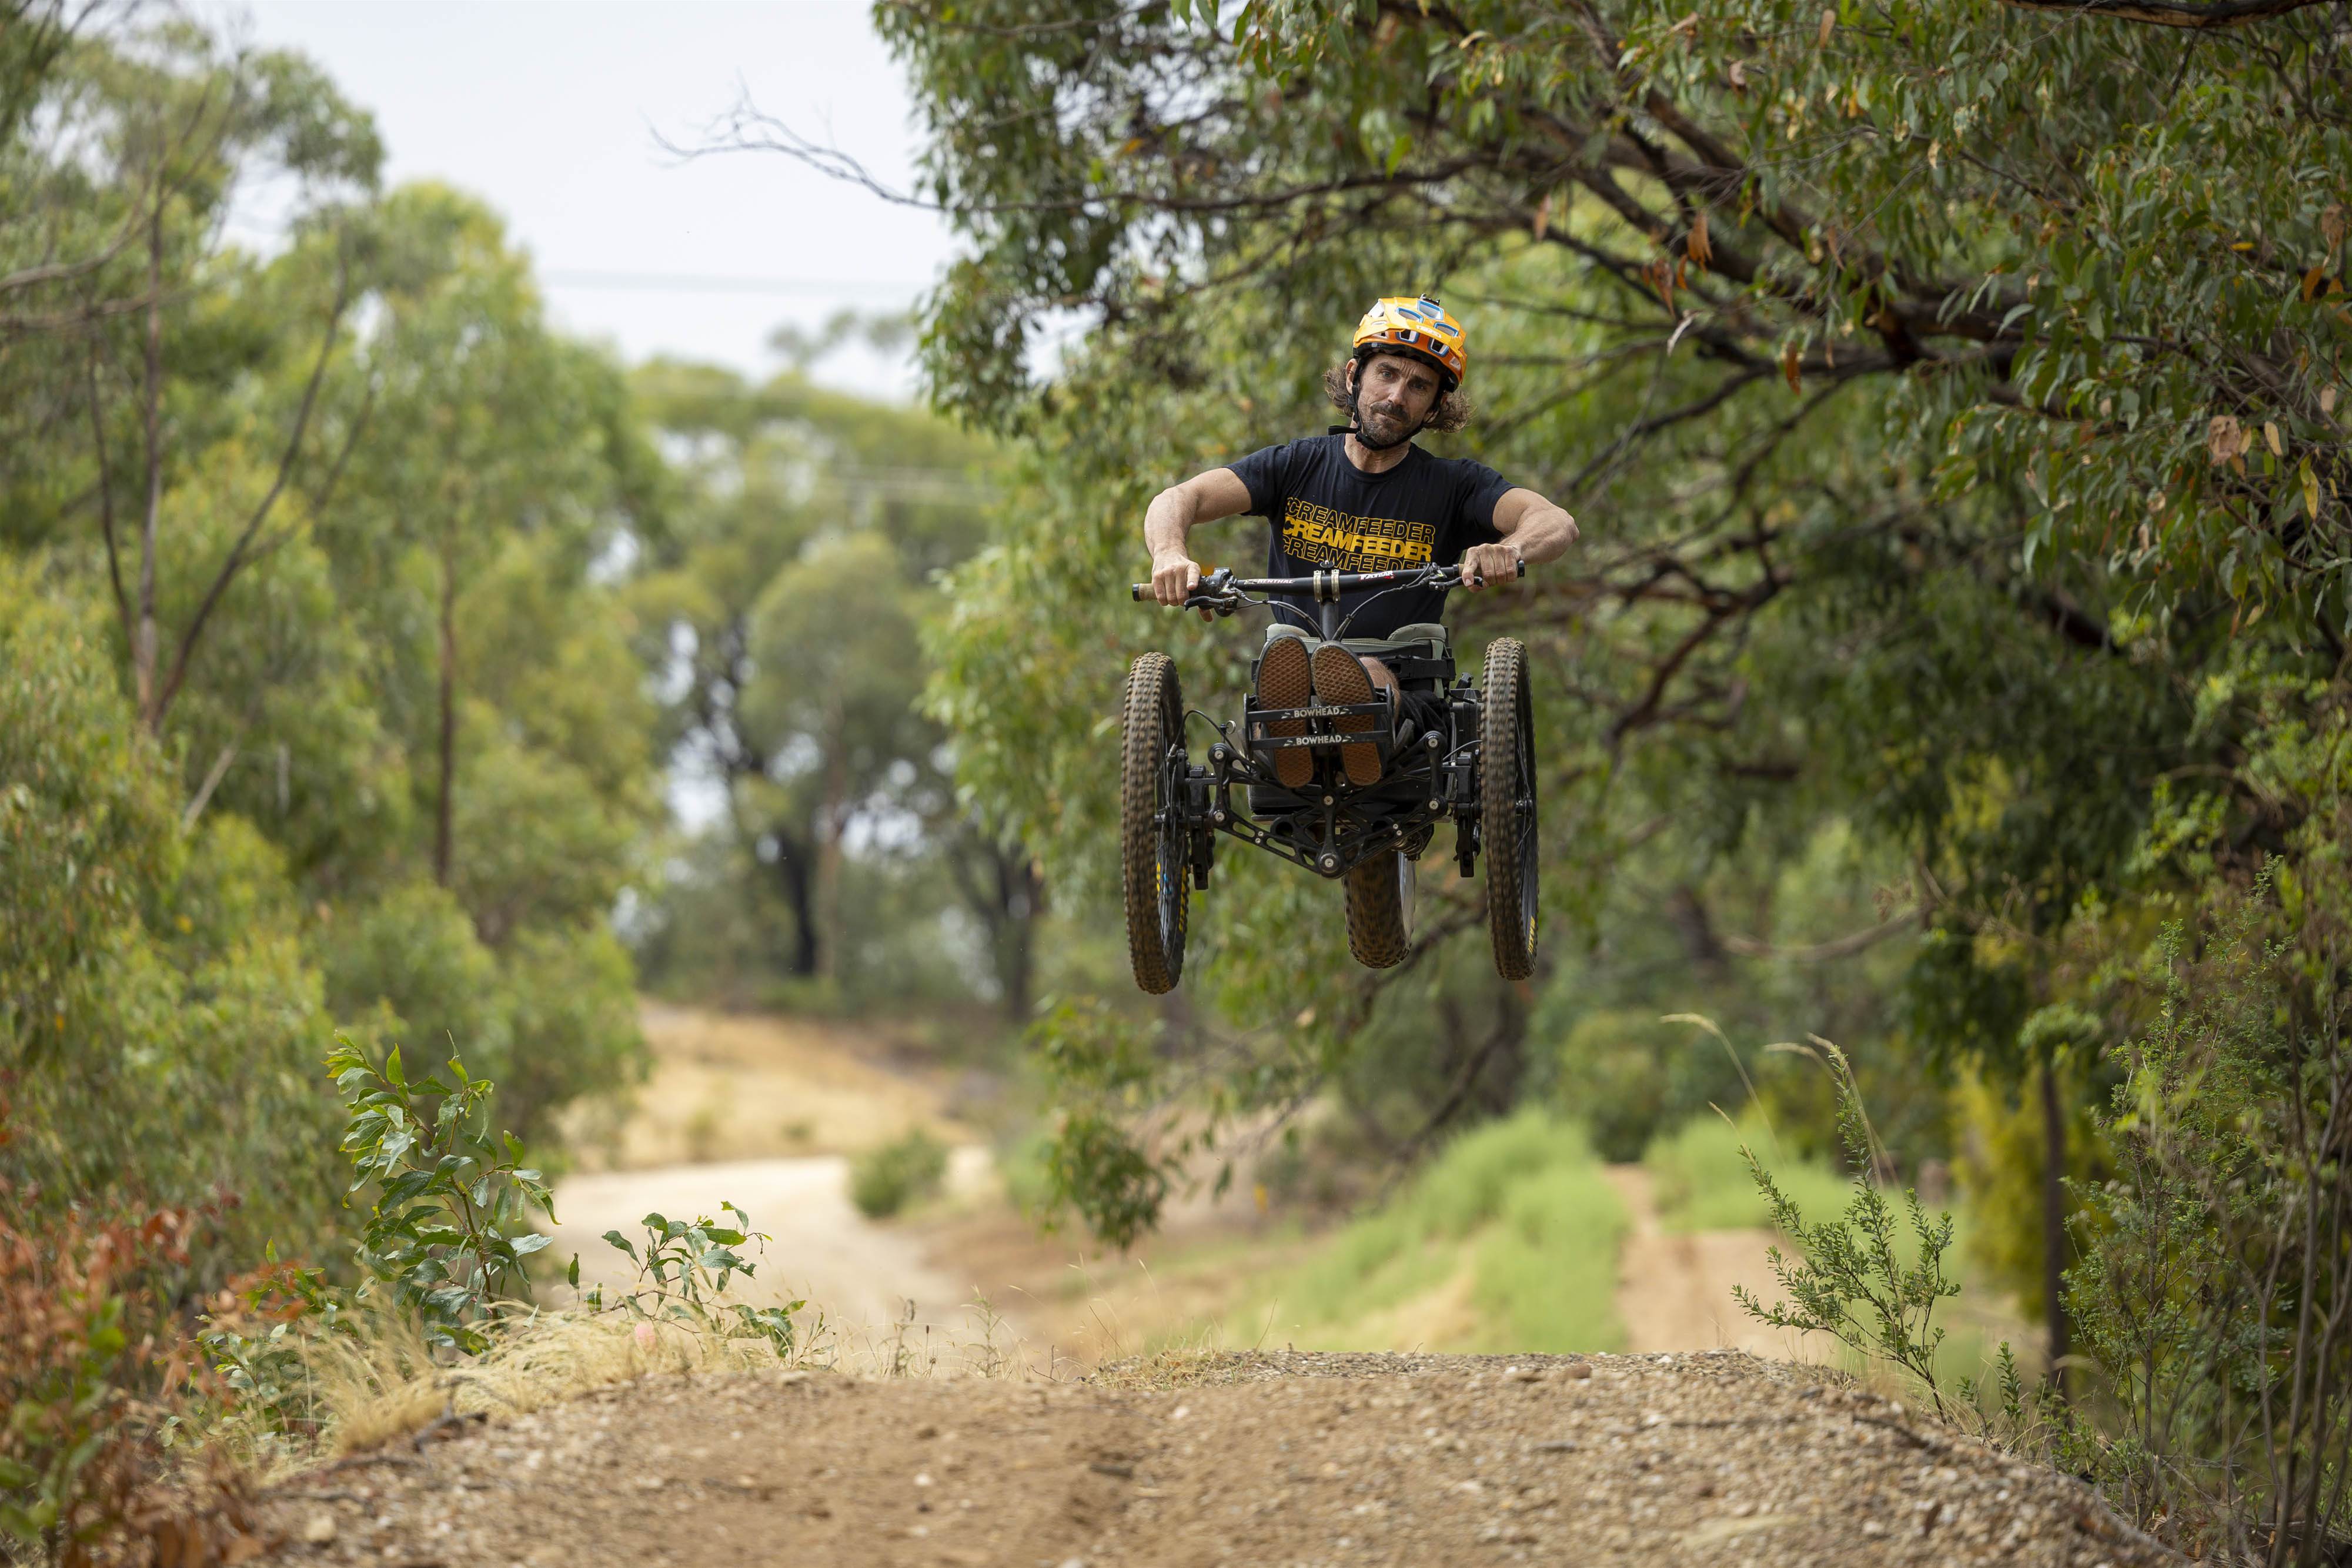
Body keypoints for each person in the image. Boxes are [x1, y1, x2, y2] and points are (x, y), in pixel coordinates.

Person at [1142, 296, 1579, 788]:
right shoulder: (1294, 466)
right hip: (1291, 674)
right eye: (1387, 374)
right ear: (1354, 376)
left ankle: (1336, 720)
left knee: (1363, 675)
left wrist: (1510, 548)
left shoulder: (1455, 486)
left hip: (1408, 708)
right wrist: (1170, 555)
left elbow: (1555, 521)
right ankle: (1296, 728)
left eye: (1419, 386)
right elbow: (1179, 498)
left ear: (1436, 406)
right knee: (1295, 675)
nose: (1397, 396)